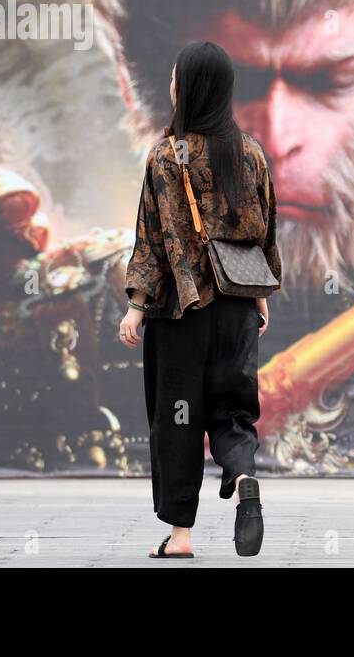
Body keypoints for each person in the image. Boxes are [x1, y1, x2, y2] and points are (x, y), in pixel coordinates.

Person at [119, 41, 284, 557]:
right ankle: (242, 476)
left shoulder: (168, 155)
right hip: (236, 308)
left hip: (181, 313)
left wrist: (137, 305)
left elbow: (151, 238)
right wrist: (260, 295)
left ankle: (181, 536)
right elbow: (266, 231)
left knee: (178, 417)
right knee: (232, 411)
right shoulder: (251, 152)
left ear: (187, 88)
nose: (170, 83)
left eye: (175, 77)